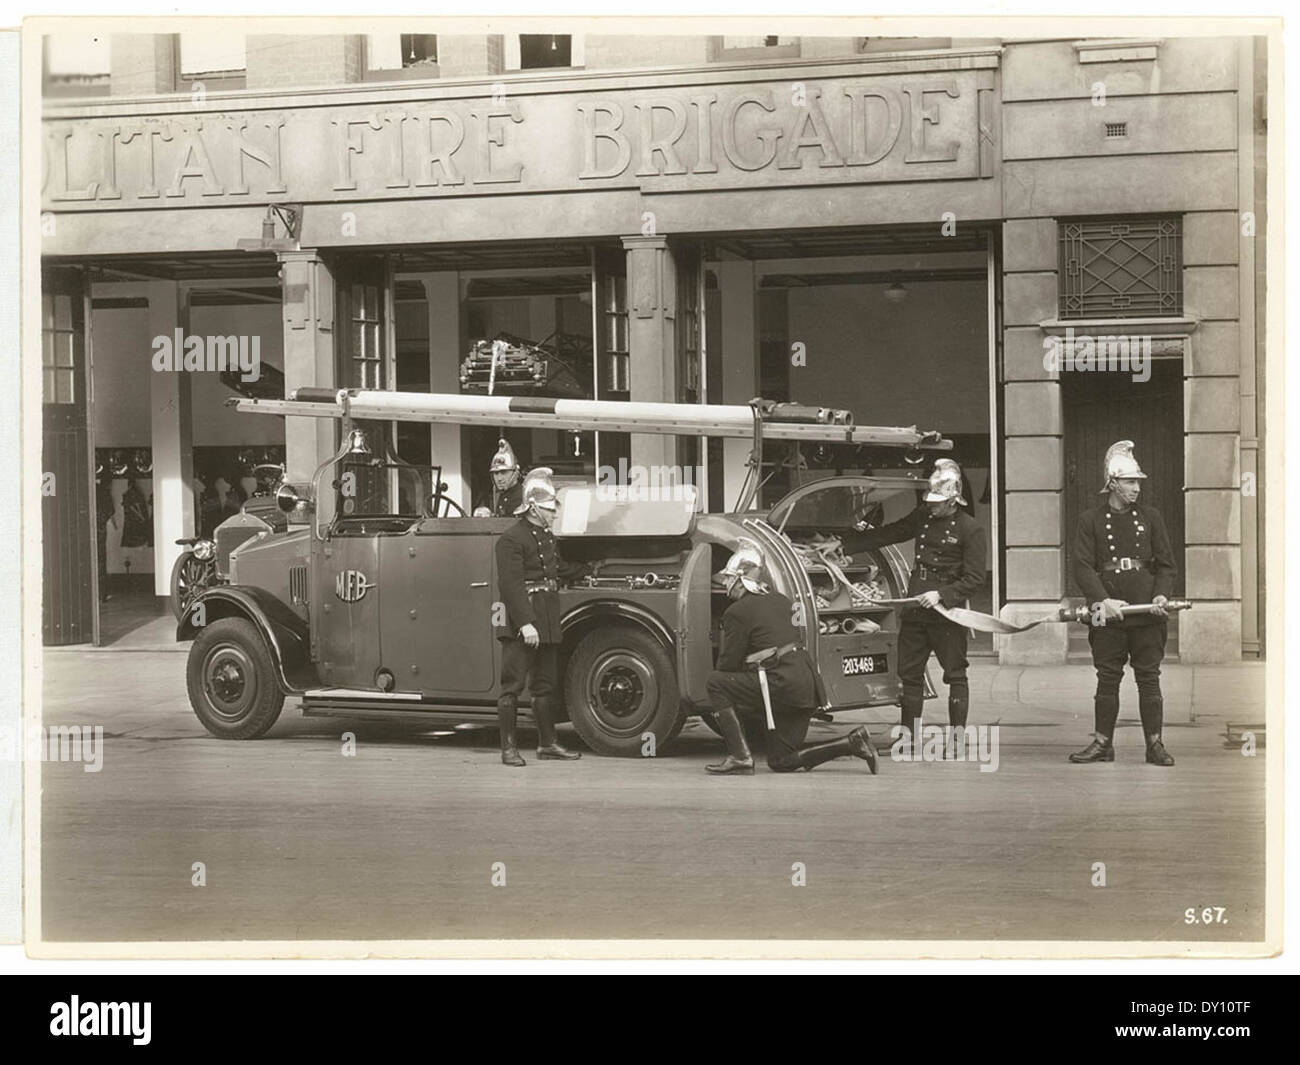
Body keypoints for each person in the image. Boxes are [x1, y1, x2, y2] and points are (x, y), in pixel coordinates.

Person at [842, 459, 987, 745]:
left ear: (953, 500)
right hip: (915, 607)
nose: (931, 505)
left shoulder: (970, 529)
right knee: (910, 674)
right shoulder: (922, 516)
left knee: (955, 674)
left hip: (947, 612)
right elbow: (890, 533)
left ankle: (957, 741)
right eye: (930, 500)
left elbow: (975, 578)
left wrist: (942, 595)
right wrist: (843, 545)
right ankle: (908, 739)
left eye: (938, 501)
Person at [704, 539, 877, 775]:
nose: (726, 584)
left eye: (728, 578)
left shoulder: (736, 612)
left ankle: (740, 756)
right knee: (781, 761)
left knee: (715, 682)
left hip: (780, 685)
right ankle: (852, 743)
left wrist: (746, 670)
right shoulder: (781, 600)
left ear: (740, 579)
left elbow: (727, 665)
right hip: (806, 685)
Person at [1069, 441, 1177, 766]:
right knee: (1107, 676)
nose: (1137, 487)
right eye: (1130, 481)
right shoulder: (1090, 519)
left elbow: (1166, 565)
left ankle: (1154, 745)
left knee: (1148, 676)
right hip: (1108, 611)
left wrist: (1161, 596)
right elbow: (1083, 567)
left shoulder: (1151, 517)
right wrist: (1102, 600)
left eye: (1138, 481)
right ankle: (1103, 744)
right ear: (1113, 483)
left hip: (1146, 610)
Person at [493, 467, 586, 767]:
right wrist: (525, 623)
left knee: (545, 685)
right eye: (549, 508)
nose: (554, 513)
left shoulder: (546, 537)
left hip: (546, 617)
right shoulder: (510, 539)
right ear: (533, 507)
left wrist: (591, 568)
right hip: (526, 622)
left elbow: (555, 570)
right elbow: (510, 585)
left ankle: (548, 744)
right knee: (512, 686)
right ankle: (508, 749)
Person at [476, 438, 524, 518]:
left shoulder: (523, 496)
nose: (499, 478)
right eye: (496, 473)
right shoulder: (499, 495)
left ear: (515, 473)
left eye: (504, 472)